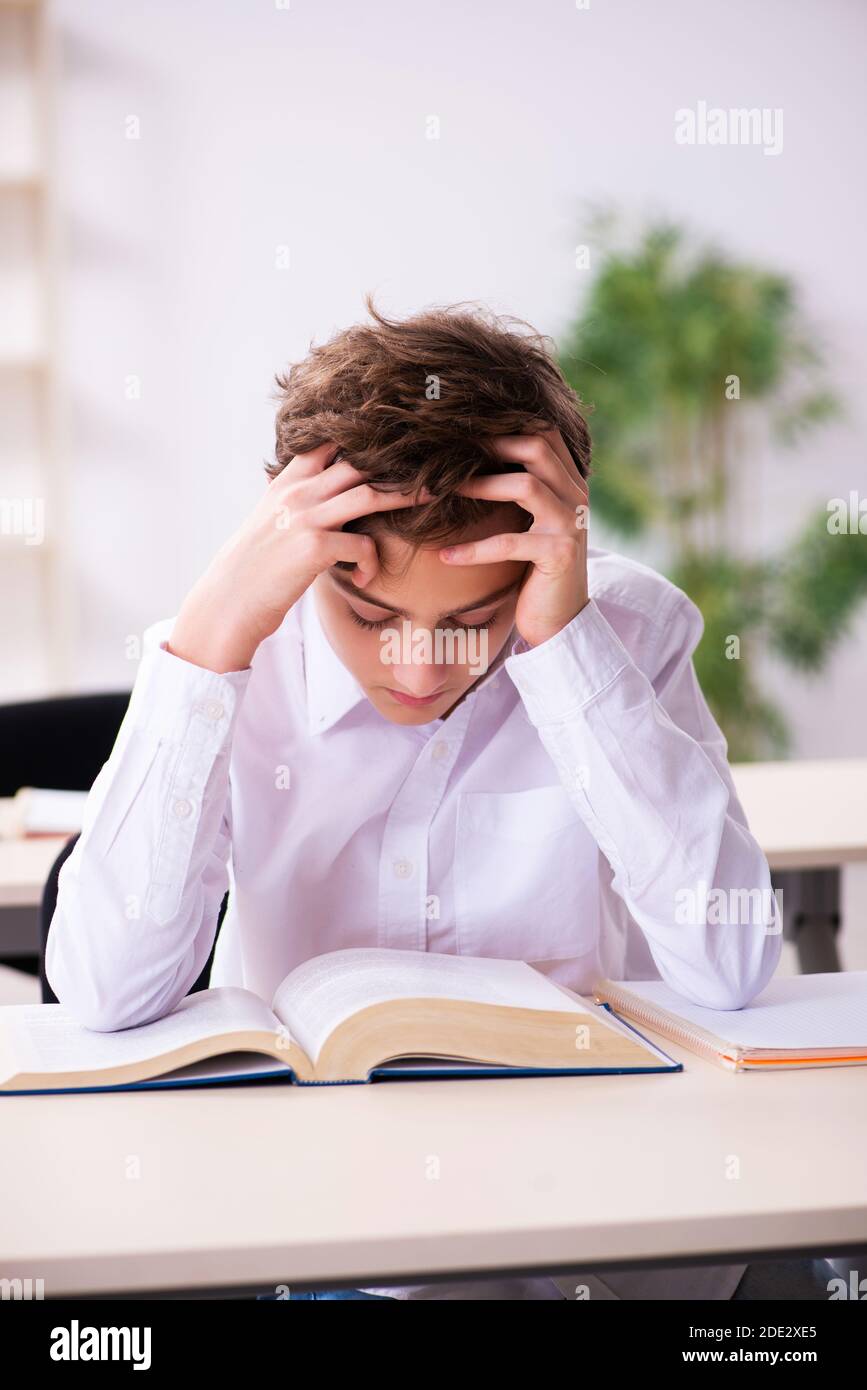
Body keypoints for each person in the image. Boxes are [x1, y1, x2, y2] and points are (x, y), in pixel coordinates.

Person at [46, 300, 825, 1300]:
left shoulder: (623, 633)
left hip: (584, 1218)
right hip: (316, 1226)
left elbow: (727, 967)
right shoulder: (238, 650)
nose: (416, 666)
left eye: (473, 618)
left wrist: (561, 649)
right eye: (368, 612)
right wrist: (205, 646)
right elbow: (106, 995)